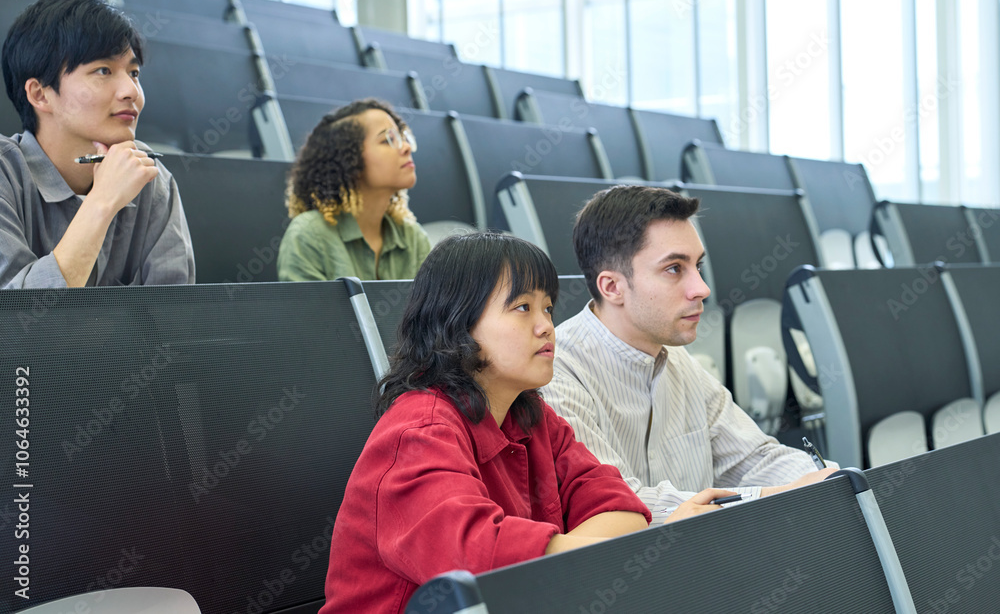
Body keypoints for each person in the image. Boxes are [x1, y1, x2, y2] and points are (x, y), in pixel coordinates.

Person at [319, 232, 733, 613]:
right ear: (457, 322)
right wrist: (641, 547)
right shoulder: (417, 432)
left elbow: (622, 508)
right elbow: (484, 570)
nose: (546, 326)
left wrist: (599, 546)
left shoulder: (534, 417)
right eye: (522, 308)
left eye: (548, 308)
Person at [542, 185, 838, 525]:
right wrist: (782, 494)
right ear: (612, 287)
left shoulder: (678, 361)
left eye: (697, 266)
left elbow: (753, 459)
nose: (702, 288)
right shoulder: (555, 374)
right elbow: (626, 505)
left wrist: (833, 480)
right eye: (674, 269)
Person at [0, 0, 195, 289]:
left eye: (134, 72)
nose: (131, 91)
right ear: (40, 94)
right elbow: (18, 323)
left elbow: (174, 320)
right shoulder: (6, 175)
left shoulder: (149, 176)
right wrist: (102, 202)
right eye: (103, 70)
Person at [277, 98, 431, 281]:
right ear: (348, 161)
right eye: (388, 140)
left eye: (403, 137)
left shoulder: (414, 238)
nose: (406, 147)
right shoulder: (308, 236)